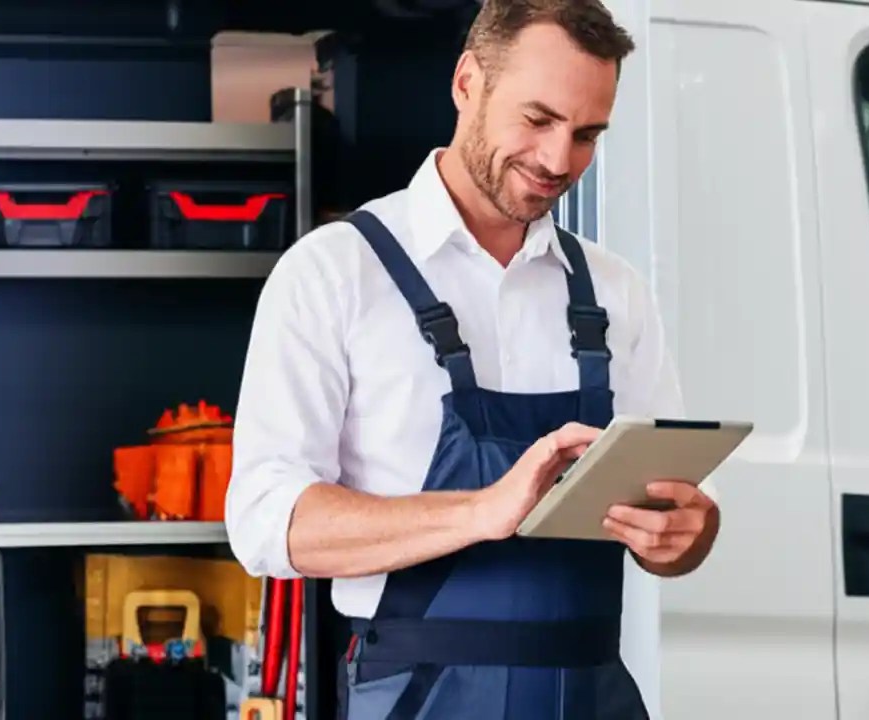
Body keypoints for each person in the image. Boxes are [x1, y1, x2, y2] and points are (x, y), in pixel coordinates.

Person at [224, 0, 721, 717]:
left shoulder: (618, 294)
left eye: (587, 135)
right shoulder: (334, 275)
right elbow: (266, 522)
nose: (559, 160)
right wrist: (484, 510)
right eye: (539, 120)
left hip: (595, 696)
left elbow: (671, 518)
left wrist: (684, 536)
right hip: (421, 699)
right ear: (467, 84)